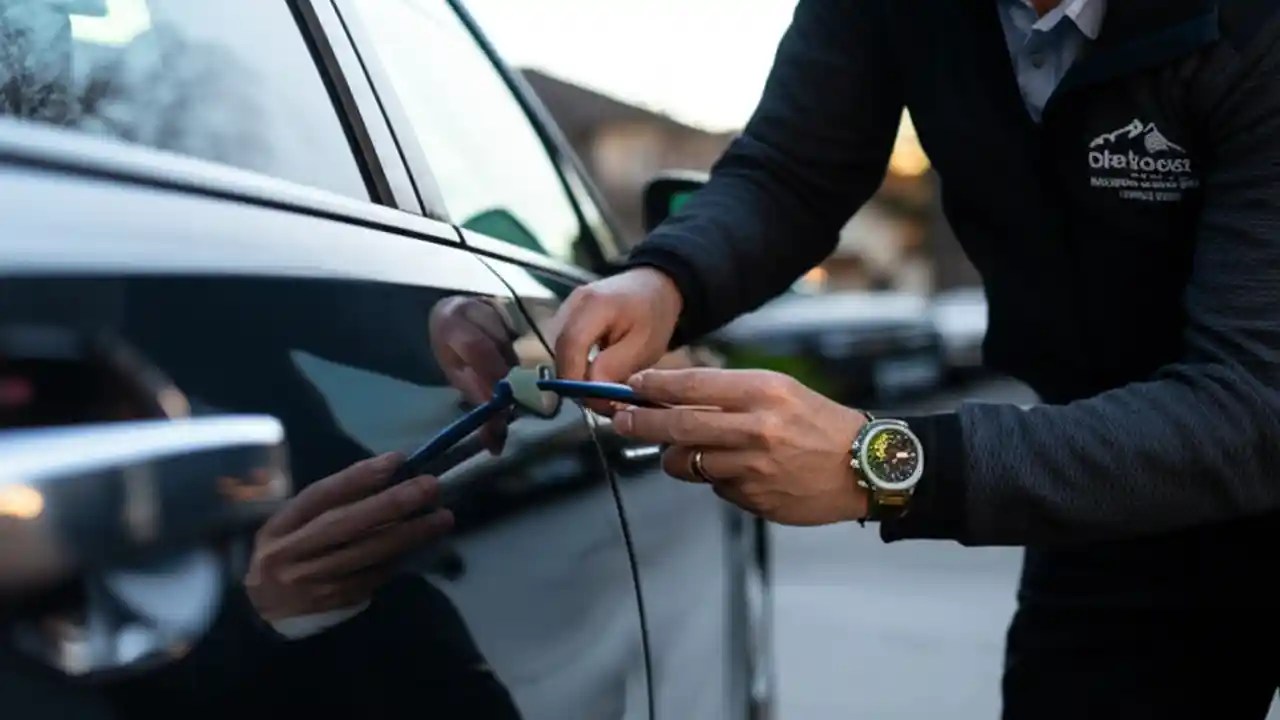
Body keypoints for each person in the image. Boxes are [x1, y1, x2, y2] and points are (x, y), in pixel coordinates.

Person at [551, 1, 1280, 717]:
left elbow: (1255, 403)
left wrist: (876, 461)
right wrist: (664, 280)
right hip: (1101, 492)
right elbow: (794, 172)